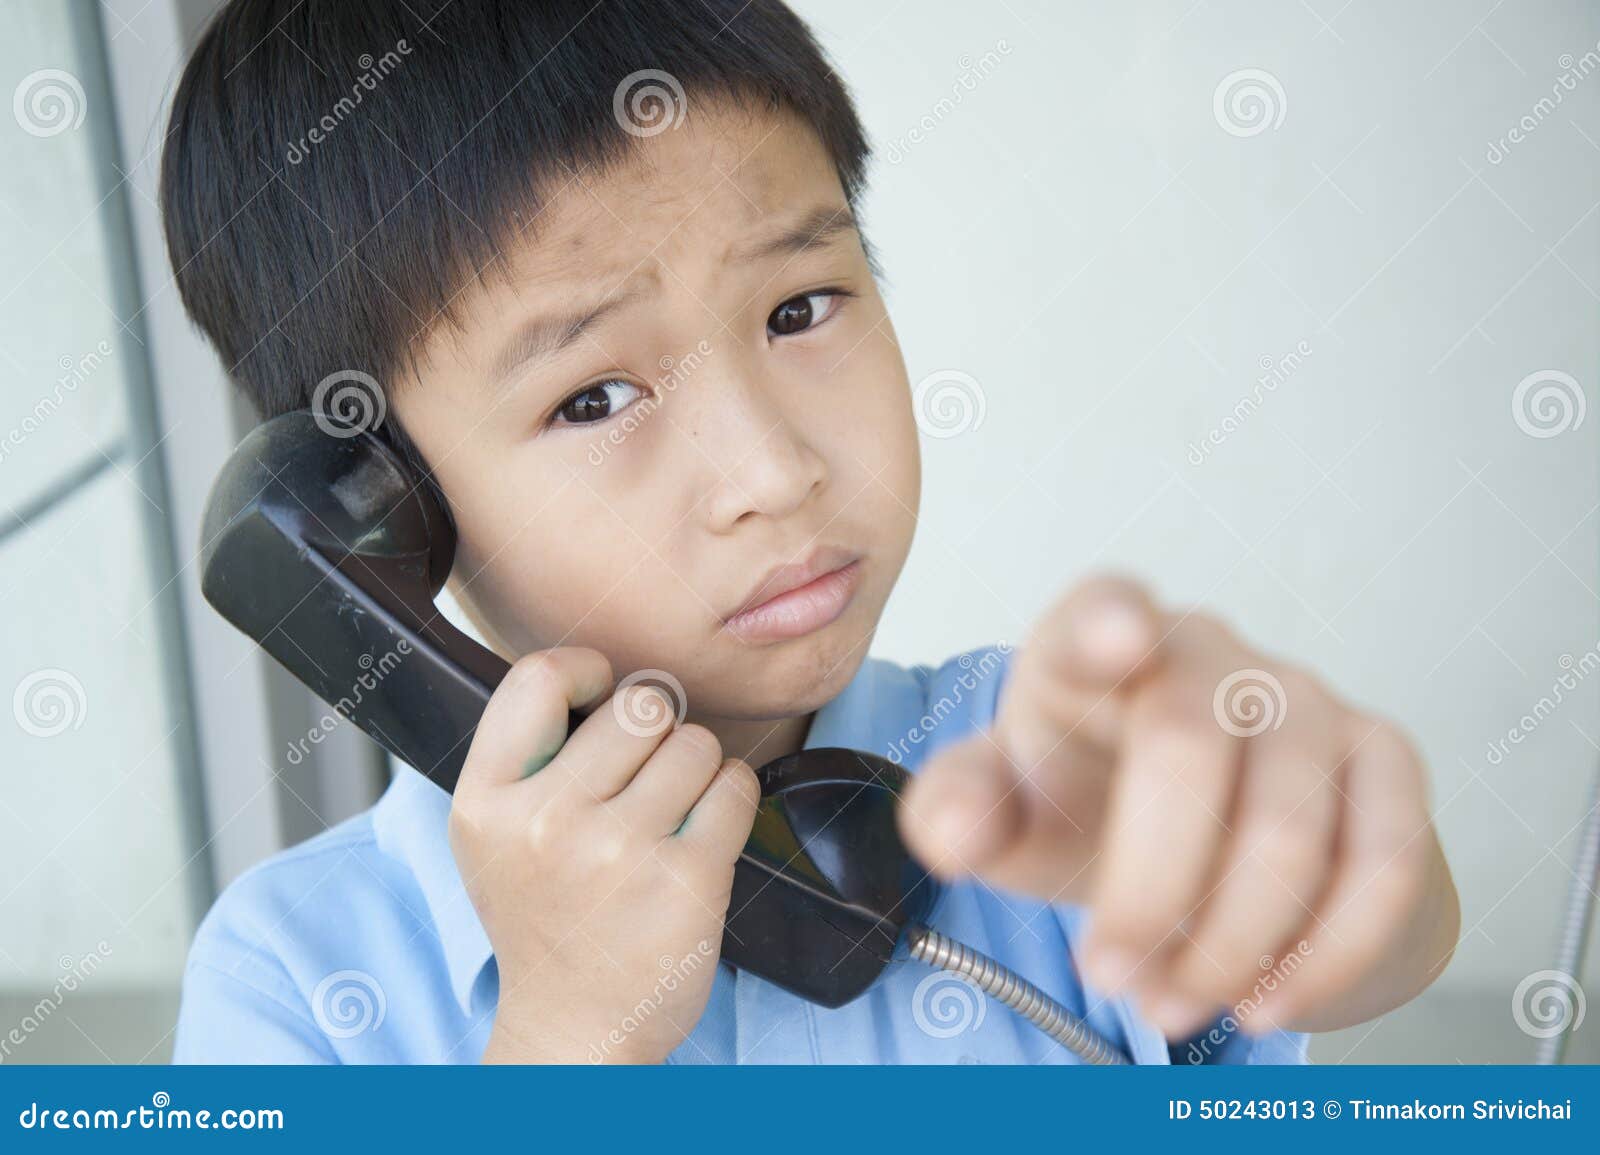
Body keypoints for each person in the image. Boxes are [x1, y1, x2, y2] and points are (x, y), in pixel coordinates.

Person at [162, 0, 1458, 1064]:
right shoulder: (295, 976)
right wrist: (562, 1040)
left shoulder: (1036, 774)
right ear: (383, 510)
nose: (774, 472)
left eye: (800, 309)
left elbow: (1361, 957)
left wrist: (1322, 842)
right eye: (594, 397)